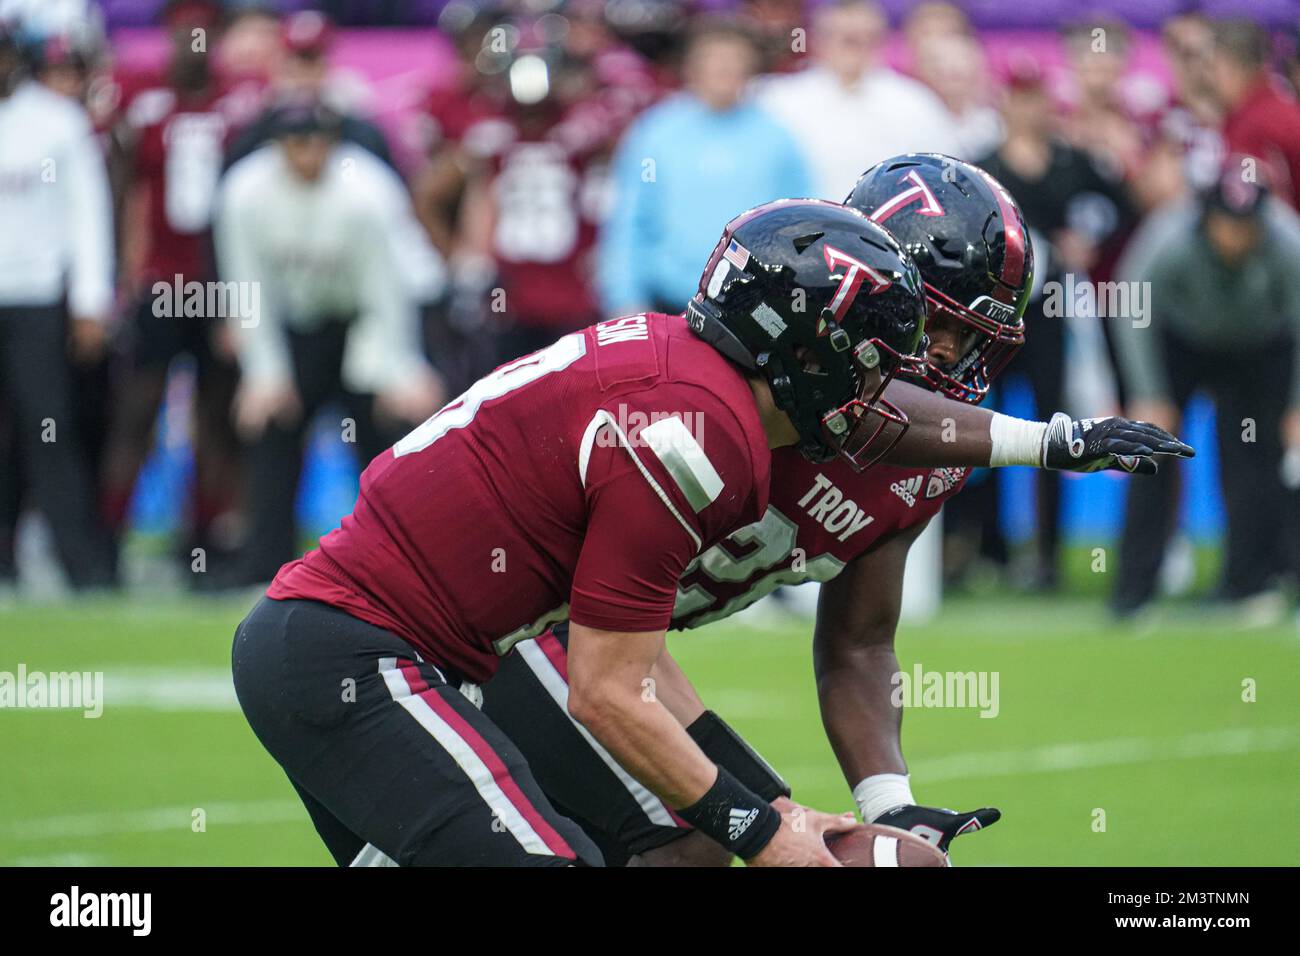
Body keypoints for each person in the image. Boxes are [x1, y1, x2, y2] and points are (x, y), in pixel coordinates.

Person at [231, 195, 1192, 867]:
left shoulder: (708, 389)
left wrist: (791, 813)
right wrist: (765, 828)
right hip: (384, 650)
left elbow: (662, 646)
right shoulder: (707, 430)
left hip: (448, 641)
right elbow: (610, 685)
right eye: (884, 350)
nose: (893, 381)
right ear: (816, 343)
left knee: (714, 837)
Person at [213, 99, 443, 588]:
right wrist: (264, 373)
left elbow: (387, 289)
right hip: (297, 325)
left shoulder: (368, 194)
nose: (307, 154)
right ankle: (266, 567)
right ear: (278, 146)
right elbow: (246, 284)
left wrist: (401, 370)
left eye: (317, 142)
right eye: (296, 143)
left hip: (364, 322)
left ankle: (401, 567)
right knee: (270, 422)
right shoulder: (242, 194)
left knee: (389, 435)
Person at [1109, 163, 1300, 620]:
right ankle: (1133, 592)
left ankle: (1248, 583)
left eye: (1246, 226)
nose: (1236, 236)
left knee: (1255, 456)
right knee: (1150, 448)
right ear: (1207, 218)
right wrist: (1149, 392)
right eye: (1227, 225)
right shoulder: (1169, 239)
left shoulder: (1288, 244)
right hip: (1183, 342)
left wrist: (1297, 404)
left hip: (1259, 349)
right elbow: (1130, 306)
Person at [0, 15, 116, 589]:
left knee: (48, 427)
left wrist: (91, 299)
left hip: (37, 295)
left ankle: (81, 566)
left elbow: (88, 214)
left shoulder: (57, 122)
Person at [597, 17, 812, 317]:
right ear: (692, 67)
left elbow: (800, 224)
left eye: (735, 61)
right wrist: (623, 298)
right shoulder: (655, 132)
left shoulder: (777, 137)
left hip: (752, 307)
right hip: (669, 303)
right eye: (714, 60)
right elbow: (628, 221)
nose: (724, 70)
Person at [754, 0, 957, 199]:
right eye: (846, 39)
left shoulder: (914, 103)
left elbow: (941, 177)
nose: (855, 49)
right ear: (819, 39)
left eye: (866, 38)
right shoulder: (780, 100)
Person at [1208, 19, 1300, 211]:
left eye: (1214, 68)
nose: (1210, 79)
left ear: (1231, 66)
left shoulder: (1254, 125)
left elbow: (1249, 206)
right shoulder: (1279, 105)